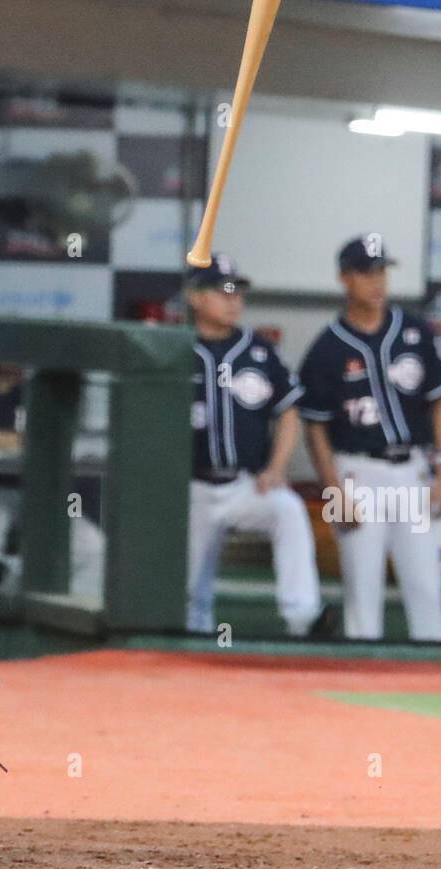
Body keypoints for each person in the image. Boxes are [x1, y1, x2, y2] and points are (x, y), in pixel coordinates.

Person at [298, 235, 441, 641]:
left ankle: (438, 680)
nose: (377, 282)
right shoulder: (327, 348)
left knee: (425, 586)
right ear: (344, 279)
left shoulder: (416, 332)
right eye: (367, 273)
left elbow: (439, 404)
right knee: (362, 594)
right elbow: (314, 428)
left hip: (411, 471)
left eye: (382, 271)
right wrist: (333, 490)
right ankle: (359, 692)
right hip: (358, 475)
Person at [185, 255, 330, 638]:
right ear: (196, 297)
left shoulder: (259, 351)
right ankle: (190, 647)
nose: (234, 300)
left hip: (243, 485)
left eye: (238, 292)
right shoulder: (173, 348)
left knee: (287, 510)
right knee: (188, 591)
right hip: (191, 487)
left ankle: (302, 617)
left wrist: (276, 467)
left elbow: (287, 412)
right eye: (223, 291)